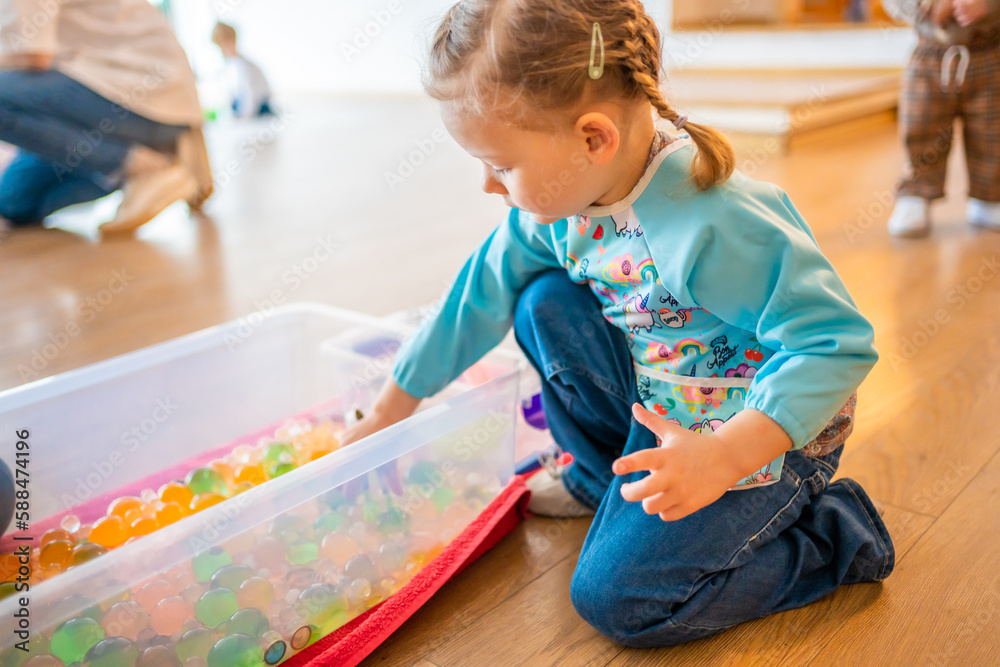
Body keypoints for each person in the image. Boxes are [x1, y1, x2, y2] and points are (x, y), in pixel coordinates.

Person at [340, 0, 894, 647]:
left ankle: (836, 535)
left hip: (764, 440)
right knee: (539, 298)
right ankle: (601, 474)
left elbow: (834, 343)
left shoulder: (713, 220)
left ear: (593, 138)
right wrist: (388, 408)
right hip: (666, 401)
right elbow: (477, 292)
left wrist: (721, 456)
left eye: (502, 164)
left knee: (620, 597)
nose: (488, 186)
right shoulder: (565, 203)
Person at [0, 0, 213, 234]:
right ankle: (139, 166)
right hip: (117, 102)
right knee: (14, 202)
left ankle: (141, 166)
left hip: (140, 98)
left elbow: (36, 58)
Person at [885, 0, 1000, 237]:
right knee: (921, 123)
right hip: (931, 50)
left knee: (992, 128)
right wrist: (926, 5)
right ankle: (916, 193)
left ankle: (989, 195)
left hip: (989, 48)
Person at [211, 22, 273, 119]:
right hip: (245, 110)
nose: (222, 50)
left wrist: (244, 118)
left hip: (258, 111)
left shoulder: (244, 66)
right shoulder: (230, 66)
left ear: (233, 41)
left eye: (224, 45)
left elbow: (250, 97)